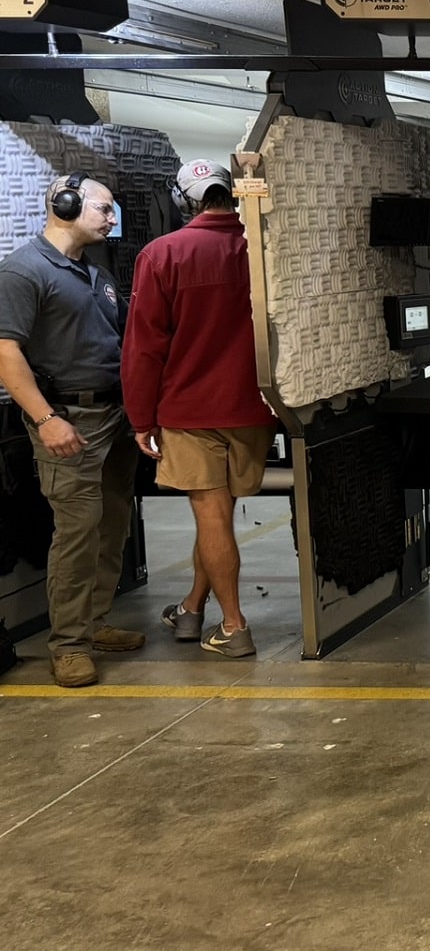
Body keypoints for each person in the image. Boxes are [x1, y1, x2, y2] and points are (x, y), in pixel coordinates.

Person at [122, 160, 277, 659]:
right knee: (218, 516)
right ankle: (191, 610)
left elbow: (144, 347)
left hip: (190, 412)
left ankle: (233, 627)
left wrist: (140, 419)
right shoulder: (262, 248)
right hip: (254, 408)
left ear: (184, 199)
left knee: (211, 516)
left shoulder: (162, 254)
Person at [0, 174, 144, 687]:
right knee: (77, 534)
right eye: (104, 209)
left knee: (110, 527)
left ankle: (94, 621)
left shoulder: (93, 271)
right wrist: (45, 418)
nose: (112, 220)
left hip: (114, 417)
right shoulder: (24, 271)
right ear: (65, 204)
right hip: (67, 421)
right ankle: (68, 644)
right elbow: (5, 352)